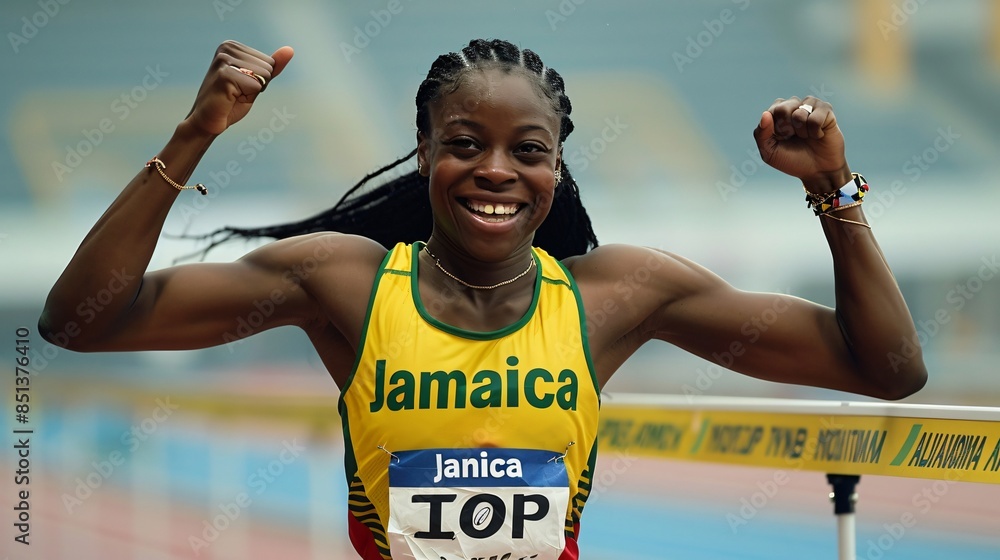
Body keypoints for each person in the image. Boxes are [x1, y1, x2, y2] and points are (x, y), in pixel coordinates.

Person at [40, 38, 927, 560]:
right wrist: (196, 133)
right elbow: (79, 322)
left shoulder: (621, 293)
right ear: (425, 155)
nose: (497, 170)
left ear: (555, 168)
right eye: (465, 144)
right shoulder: (341, 281)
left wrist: (834, 190)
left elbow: (887, 371)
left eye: (528, 151)